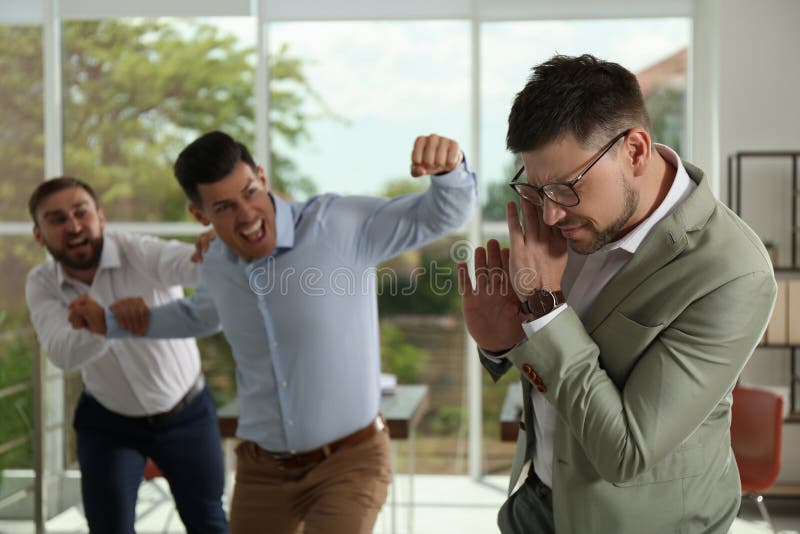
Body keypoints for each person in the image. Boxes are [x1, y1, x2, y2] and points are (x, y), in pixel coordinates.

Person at [68, 131, 478, 534]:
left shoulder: (336, 225)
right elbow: (200, 316)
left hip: (350, 462)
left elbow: (442, 215)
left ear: (262, 177)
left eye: (249, 192)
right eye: (224, 207)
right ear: (200, 215)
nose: (246, 214)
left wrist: (449, 171)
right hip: (262, 469)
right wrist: (112, 323)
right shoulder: (216, 262)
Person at [458, 54, 776, 534]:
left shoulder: (732, 273)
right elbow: (548, 364)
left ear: (635, 151)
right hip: (532, 505)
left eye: (566, 187)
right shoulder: (567, 218)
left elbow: (625, 453)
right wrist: (501, 342)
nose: (549, 214)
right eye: (536, 189)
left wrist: (544, 307)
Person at [25, 177, 227, 534]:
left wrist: (219, 246)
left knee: (208, 523)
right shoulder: (41, 283)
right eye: (57, 219)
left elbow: (198, 267)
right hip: (109, 423)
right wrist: (111, 324)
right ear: (39, 235)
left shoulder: (139, 251)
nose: (73, 226)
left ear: (101, 217)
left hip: (187, 412)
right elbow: (62, 353)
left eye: (81, 212)